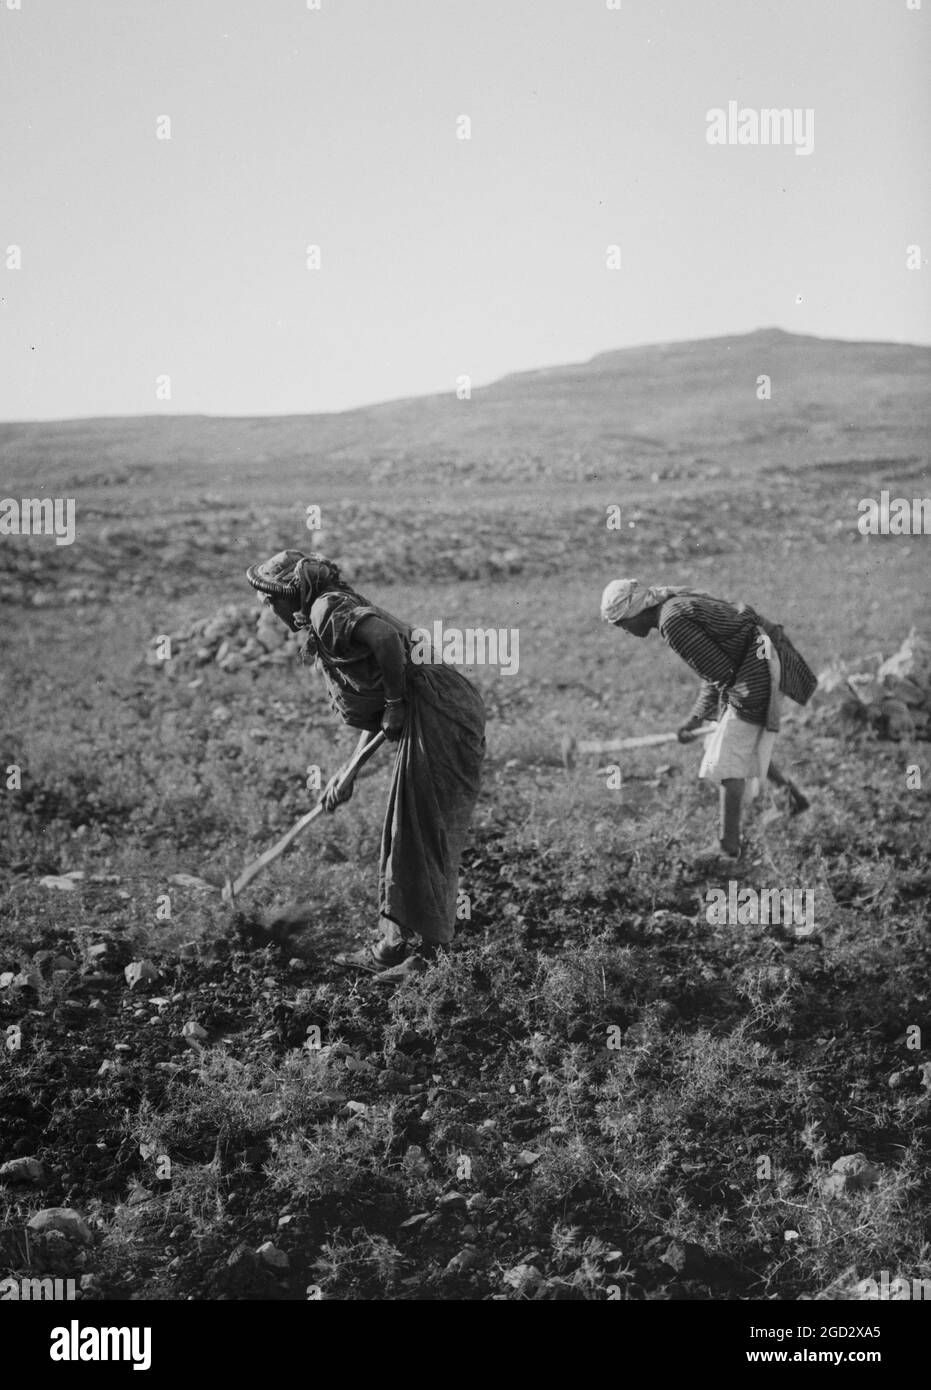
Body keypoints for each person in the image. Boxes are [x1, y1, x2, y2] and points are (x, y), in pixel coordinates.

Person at [246, 550, 486, 982]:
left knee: (418, 830)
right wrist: (349, 771)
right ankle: (396, 947)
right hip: (431, 709)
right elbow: (379, 700)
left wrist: (396, 703)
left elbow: (386, 642)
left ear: (293, 594)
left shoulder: (325, 609)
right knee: (407, 827)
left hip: (439, 713)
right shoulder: (330, 606)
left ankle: (420, 957)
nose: (269, 607)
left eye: (272, 597)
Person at [600, 578, 815, 869]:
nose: (625, 630)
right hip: (756, 663)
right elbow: (718, 668)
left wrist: (699, 717)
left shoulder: (672, 621)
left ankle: (727, 848)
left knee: (727, 760)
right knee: (731, 738)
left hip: (753, 673)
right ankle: (791, 797)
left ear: (634, 610)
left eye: (621, 623)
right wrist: (697, 718)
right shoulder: (673, 607)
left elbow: (720, 672)